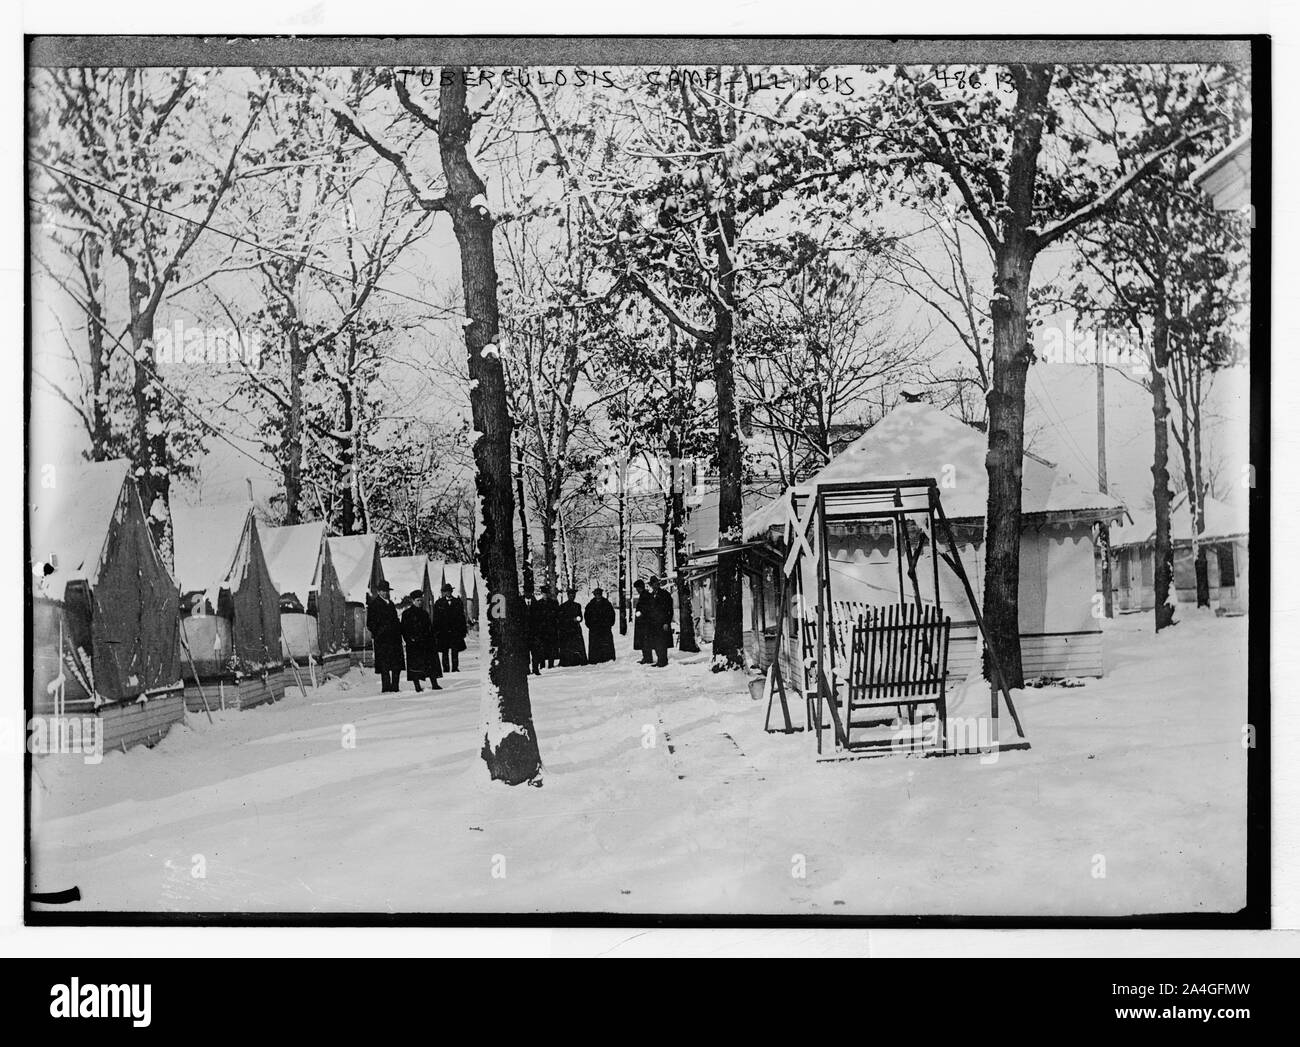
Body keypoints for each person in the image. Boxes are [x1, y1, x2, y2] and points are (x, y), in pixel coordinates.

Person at [365, 581, 404, 692]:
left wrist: (397, 630)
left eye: (386, 591)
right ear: (378, 592)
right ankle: (386, 687)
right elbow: (370, 624)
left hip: (394, 639)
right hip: (382, 640)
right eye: (383, 591)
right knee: (385, 666)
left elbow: (395, 620)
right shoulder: (374, 605)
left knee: (396, 664)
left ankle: (395, 686)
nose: (385, 593)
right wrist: (379, 632)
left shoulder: (390, 604)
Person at [400, 589, 441, 692]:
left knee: (431, 663)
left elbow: (429, 628)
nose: (420, 602)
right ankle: (417, 686)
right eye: (418, 600)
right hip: (414, 644)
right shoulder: (407, 614)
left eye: (421, 600)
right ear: (413, 601)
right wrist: (410, 640)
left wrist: (432, 640)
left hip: (426, 643)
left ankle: (434, 683)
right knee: (415, 666)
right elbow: (404, 630)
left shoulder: (424, 613)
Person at [431, 582, 468, 674]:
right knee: (444, 651)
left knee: (455, 651)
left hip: (455, 631)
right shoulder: (439, 603)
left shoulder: (458, 602)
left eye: (449, 591)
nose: (448, 593)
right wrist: (436, 631)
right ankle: (446, 669)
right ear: (443, 592)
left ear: (452, 591)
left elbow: (462, 617)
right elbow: (435, 619)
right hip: (443, 632)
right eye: (446, 591)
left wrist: (463, 630)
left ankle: (455, 668)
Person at [584, 586, 616, 664]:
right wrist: (590, 625)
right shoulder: (590, 605)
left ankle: (607, 658)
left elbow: (612, 615)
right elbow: (587, 616)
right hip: (594, 629)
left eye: (599, 594)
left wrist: (608, 624)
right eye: (596, 594)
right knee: (595, 645)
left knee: (606, 644)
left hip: (605, 628)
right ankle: (595, 659)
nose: (598, 596)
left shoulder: (607, 604)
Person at [531, 584, 560, 670]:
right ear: (541, 593)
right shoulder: (538, 604)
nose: (545, 595)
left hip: (551, 628)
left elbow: (557, 615)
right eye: (544, 593)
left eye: (546, 593)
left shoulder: (554, 603)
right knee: (542, 648)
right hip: (542, 630)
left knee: (551, 647)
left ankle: (551, 664)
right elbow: (536, 617)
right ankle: (542, 665)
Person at [557, 587, 587, 666]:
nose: (572, 597)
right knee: (567, 646)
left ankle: (579, 660)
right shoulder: (563, 606)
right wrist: (570, 620)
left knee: (577, 646)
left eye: (573, 595)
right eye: (570, 595)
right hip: (566, 629)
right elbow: (561, 619)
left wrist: (578, 619)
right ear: (568, 596)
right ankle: (567, 661)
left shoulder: (577, 606)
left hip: (575, 629)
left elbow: (580, 617)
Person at [649, 575, 674, 668]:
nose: (654, 586)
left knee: (662, 643)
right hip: (654, 624)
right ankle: (660, 660)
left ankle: (663, 661)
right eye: (652, 584)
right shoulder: (651, 596)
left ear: (658, 584)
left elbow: (670, 610)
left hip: (663, 623)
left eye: (655, 584)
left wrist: (667, 622)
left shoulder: (665, 594)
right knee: (655, 643)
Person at [633, 579, 654, 665]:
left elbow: (647, 609)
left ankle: (647, 658)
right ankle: (646, 657)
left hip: (645, 623)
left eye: (637, 588)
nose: (637, 590)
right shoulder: (644, 595)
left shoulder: (645, 596)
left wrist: (640, 614)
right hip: (644, 623)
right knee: (645, 641)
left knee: (645, 641)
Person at [522, 589, 543, 675]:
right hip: (524, 633)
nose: (528, 594)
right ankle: (526, 669)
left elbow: (539, 618)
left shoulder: (536, 604)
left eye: (529, 592)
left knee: (535, 652)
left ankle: (535, 669)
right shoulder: (520, 603)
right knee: (525, 653)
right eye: (526, 592)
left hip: (534, 633)